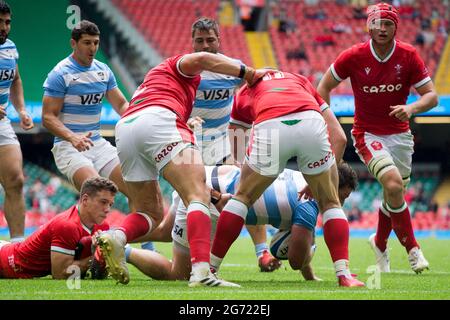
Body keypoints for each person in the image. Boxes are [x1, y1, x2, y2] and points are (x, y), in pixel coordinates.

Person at [94, 49, 269, 286]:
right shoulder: (176, 64)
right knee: (195, 195)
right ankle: (201, 272)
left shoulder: (156, 83)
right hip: (159, 120)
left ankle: (117, 237)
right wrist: (248, 73)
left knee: (151, 213)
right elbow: (202, 59)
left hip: (126, 128)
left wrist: (215, 197)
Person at [208, 69, 364, 287]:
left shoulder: (246, 90)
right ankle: (344, 275)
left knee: (241, 198)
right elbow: (339, 137)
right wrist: (321, 180)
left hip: (270, 125)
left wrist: (245, 166)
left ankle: (211, 270)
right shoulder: (300, 81)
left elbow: (236, 133)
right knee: (330, 203)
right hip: (310, 121)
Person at [317, 3, 438, 274]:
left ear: (396, 26)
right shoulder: (354, 56)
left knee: (393, 192)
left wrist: (411, 108)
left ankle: (380, 242)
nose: (382, 29)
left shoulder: (408, 55)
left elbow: (432, 96)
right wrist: (329, 123)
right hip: (367, 134)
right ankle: (414, 250)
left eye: (388, 24)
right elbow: (323, 87)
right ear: (368, 25)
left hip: (400, 135)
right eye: (377, 23)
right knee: (393, 185)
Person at [118, 162, 358, 283]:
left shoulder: (301, 178)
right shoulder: (308, 204)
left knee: (162, 232)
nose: (340, 203)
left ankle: (113, 236)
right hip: (212, 200)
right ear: (331, 187)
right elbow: (296, 261)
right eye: (342, 196)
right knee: (179, 274)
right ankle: (125, 251)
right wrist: (310, 249)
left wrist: (310, 275)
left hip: (205, 177)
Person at [178, 17, 280, 272]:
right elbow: (170, 103)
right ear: (192, 42)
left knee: (242, 189)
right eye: (200, 40)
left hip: (224, 140)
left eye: (210, 39)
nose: (205, 45)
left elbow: (255, 82)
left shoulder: (231, 69)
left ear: (219, 40)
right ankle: (144, 246)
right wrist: (185, 119)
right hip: (190, 141)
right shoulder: (186, 70)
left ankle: (262, 252)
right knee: (190, 200)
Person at [42, 20, 132, 205]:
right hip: (68, 147)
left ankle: (133, 234)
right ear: (73, 43)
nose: (93, 48)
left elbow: (122, 104)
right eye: (87, 42)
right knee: (97, 194)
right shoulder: (60, 74)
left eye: (96, 42)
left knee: (137, 187)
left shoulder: (104, 71)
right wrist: (73, 137)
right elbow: (47, 117)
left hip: (97, 143)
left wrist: (139, 122)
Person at [0, 177, 116, 279]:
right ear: (85, 200)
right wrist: (96, 256)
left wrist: (103, 258)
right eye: (103, 202)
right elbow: (60, 274)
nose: (107, 209)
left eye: (110, 204)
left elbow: (97, 274)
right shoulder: (67, 225)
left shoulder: (102, 226)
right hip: (5, 262)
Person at [0, 1, 34, 243]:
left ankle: (17, 246)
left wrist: (21, 109)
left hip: (2, 124)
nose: (4, 27)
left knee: (16, 179)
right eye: (0, 22)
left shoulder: (10, 48)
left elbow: (16, 79)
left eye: (7, 22)